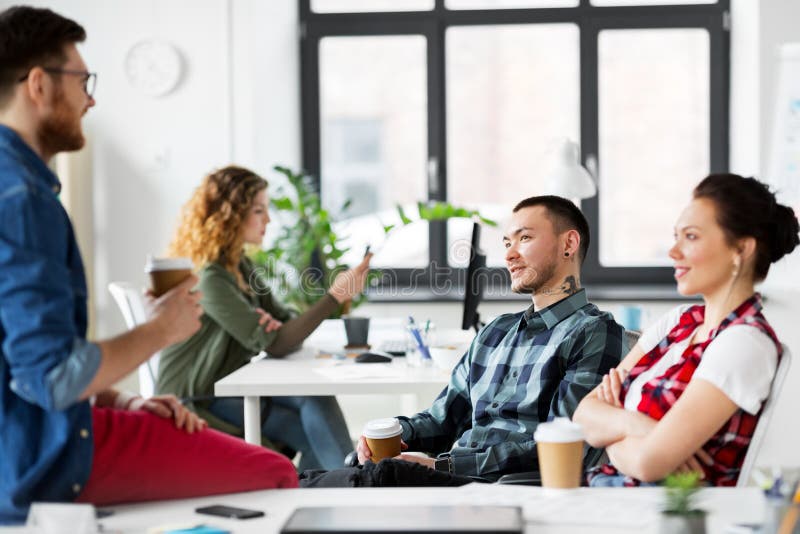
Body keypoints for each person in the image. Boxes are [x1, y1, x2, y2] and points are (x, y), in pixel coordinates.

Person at [0, 6, 297, 524]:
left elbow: (24, 364)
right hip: (43, 457)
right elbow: (51, 378)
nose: (91, 99)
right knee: (275, 474)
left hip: (48, 433)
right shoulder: (22, 199)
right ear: (39, 85)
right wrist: (162, 329)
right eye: (83, 81)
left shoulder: (22, 188)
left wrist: (122, 401)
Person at [300, 195, 627, 487]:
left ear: (569, 243)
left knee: (318, 487)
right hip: (449, 475)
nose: (510, 254)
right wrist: (395, 431)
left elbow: (563, 443)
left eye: (524, 238)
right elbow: (442, 419)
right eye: (507, 243)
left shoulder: (593, 332)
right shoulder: (496, 332)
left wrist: (442, 465)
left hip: (493, 488)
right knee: (308, 481)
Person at [573, 174, 800, 487]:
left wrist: (611, 432)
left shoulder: (744, 343)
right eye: (676, 236)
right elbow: (583, 416)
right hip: (611, 494)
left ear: (741, 249)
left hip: (670, 509)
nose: (673, 252)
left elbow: (649, 463)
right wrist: (639, 426)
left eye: (691, 237)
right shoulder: (679, 321)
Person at [157, 166, 372, 470]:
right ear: (230, 216)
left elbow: (285, 322)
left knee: (314, 400)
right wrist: (335, 296)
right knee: (306, 428)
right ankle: (352, 483)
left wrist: (277, 328)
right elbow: (279, 343)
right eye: (258, 210)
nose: (268, 220)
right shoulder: (211, 278)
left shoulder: (239, 266)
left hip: (230, 385)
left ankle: (340, 484)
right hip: (198, 398)